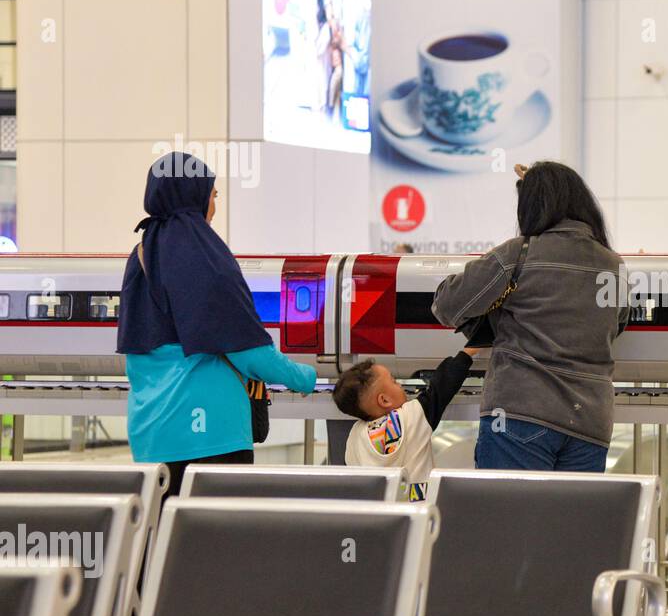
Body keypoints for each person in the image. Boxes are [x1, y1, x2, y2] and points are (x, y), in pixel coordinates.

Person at [116, 152, 319, 497]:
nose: (214, 205)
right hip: (211, 435)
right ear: (194, 196)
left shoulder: (141, 254)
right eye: (212, 195)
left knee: (164, 544)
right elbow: (248, 350)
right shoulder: (205, 257)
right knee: (215, 545)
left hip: (151, 433)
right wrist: (306, 377)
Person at [432, 161, 627, 472]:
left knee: (510, 519)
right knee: (573, 522)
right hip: (591, 422)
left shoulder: (519, 254)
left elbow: (446, 305)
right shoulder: (612, 265)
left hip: (520, 414)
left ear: (533, 206)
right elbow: (616, 325)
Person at [333, 348, 477, 501]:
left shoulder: (355, 436)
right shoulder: (411, 416)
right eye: (394, 381)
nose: (400, 384)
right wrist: (467, 353)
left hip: (378, 514)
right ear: (384, 400)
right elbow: (443, 385)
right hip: (420, 511)